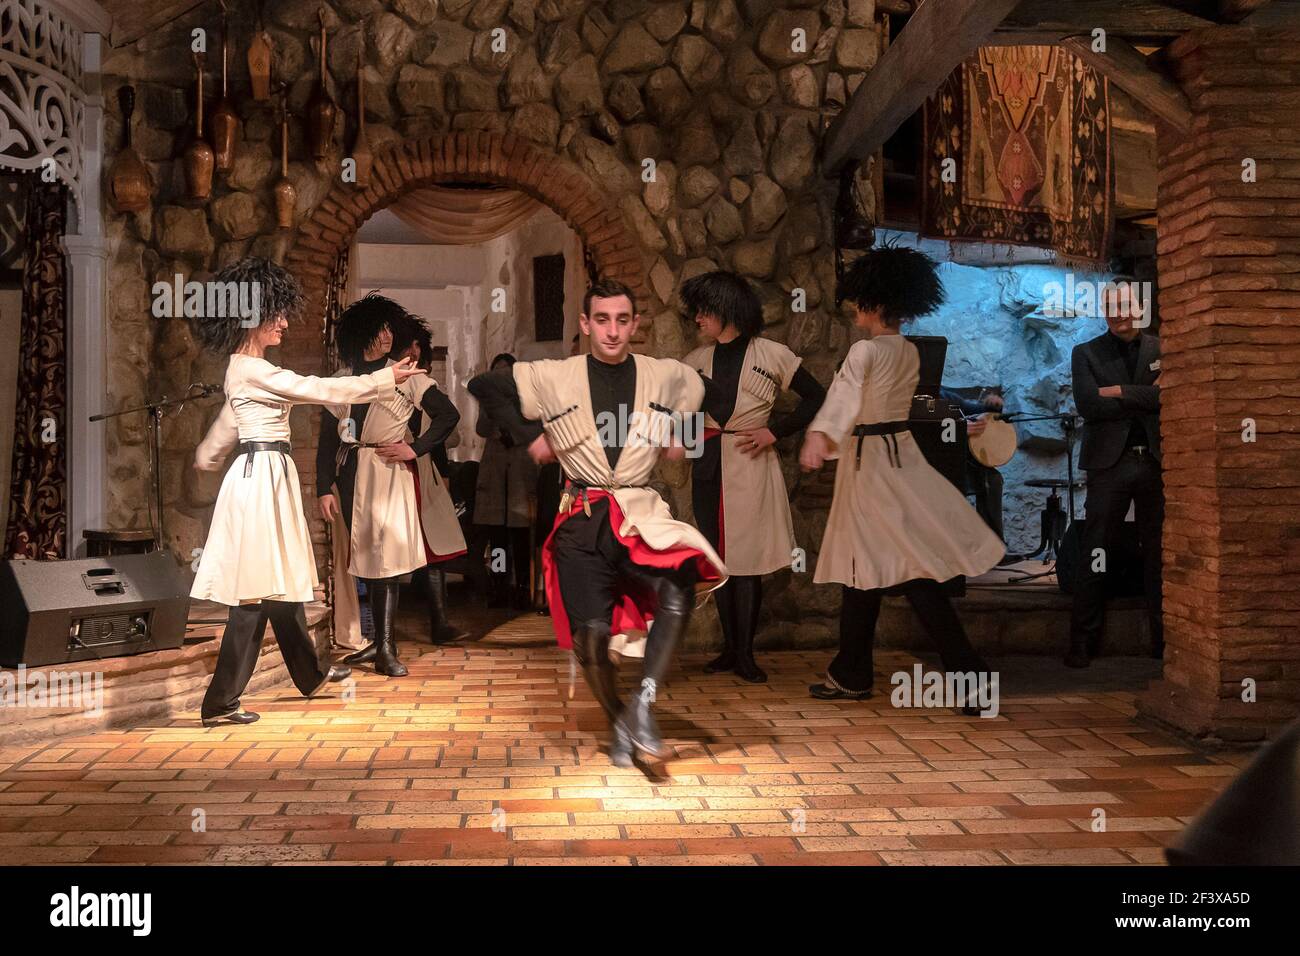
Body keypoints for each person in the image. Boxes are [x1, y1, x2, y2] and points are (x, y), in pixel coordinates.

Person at [468, 277, 727, 765]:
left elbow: (718, 395)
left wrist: (684, 438)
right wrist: (531, 434)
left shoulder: (663, 373)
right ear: (586, 324)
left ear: (635, 325)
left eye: (622, 320)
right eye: (602, 320)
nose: (612, 331)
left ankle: (643, 707)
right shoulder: (555, 376)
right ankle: (619, 721)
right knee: (591, 638)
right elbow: (481, 385)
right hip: (581, 517)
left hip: (638, 514)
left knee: (680, 580)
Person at [190, 258, 424, 725]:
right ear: (249, 317)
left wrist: (207, 455)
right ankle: (220, 702)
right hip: (259, 480)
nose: (283, 322)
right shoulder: (251, 370)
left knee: (277, 581)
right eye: (275, 314)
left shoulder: (249, 371)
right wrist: (383, 379)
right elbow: (318, 389)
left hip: (264, 474)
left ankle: (310, 674)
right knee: (255, 590)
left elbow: (228, 423)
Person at [799, 247, 1004, 711]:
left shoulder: (864, 350)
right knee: (864, 567)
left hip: (871, 464)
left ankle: (970, 679)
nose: (854, 308)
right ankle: (850, 670)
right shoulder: (909, 351)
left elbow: (845, 399)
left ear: (872, 302)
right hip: (895, 459)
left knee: (912, 572)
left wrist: (819, 435)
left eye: (858, 301)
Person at [681, 271, 825, 682]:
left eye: (704, 311)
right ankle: (729, 649)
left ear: (726, 310)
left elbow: (817, 397)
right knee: (719, 559)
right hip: (709, 466)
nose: (697, 320)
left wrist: (774, 432)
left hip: (749, 464)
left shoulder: (773, 355)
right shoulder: (695, 362)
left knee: (746, 561)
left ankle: (745, 653)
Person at [315, 294, 463, 677]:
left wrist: (415, 449)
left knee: (388, 561)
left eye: (388, 328)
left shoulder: (408, 375)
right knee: (367, 560)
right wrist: (323, 486)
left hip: (389, 471)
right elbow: (328, 439)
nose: (386, 335)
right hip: (352, 472)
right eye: (378, 328)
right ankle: (379, 643)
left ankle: (385, 647)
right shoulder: (342, 381)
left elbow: (448, 416)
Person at [1068, 280, 1162, 668]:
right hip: (1109, 464)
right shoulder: (1085, 352)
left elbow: (1170, 397)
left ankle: (1164, 642)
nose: (1118, 313)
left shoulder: (1163, 348)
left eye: (1125, 305)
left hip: (1156, 462)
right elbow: (1090, 405)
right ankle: (1082, 642)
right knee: (1096, 551)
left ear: (1139, 307)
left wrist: (1118, 390)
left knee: (1159, 552)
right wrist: (1144, 395)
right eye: (1110, 306)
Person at [388, 309, 471, 644]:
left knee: (435, 550)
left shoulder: (421, 384)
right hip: (391, 472)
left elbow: (443, 424)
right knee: (391, 550)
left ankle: (439, 622)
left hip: (422, 472)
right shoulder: (383, 380)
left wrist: (423, 453)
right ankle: (385, 634)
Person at [473, 353, 537, 609]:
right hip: (496, 474)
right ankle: (499, 585)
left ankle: (522, 587)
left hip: (521, 472)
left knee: (521, 538)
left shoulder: (527, 398)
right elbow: (481, 427)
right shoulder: (488, 400)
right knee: (498, 540)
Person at [940, 386, 1006, 540]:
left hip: (955, 466)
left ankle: (993, 549)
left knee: (992, 478)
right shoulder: (905, 397)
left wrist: (991, 407)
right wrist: (959, 428)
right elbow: (920, 429)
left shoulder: (944, 395)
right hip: (927, 467)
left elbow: (974, 411)